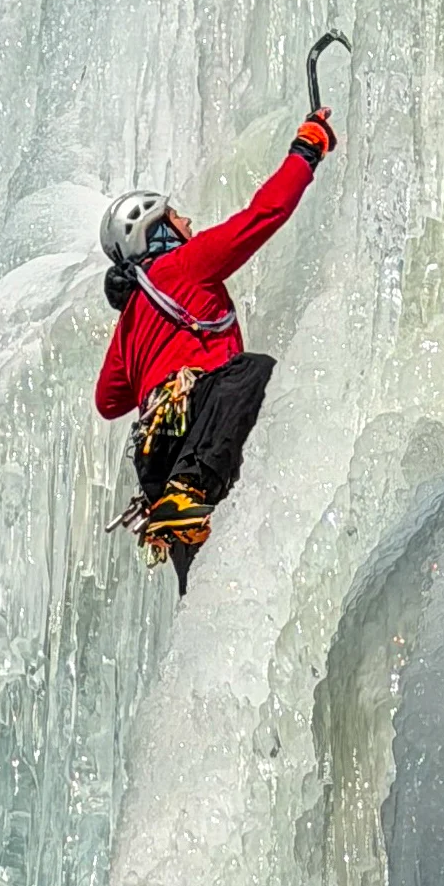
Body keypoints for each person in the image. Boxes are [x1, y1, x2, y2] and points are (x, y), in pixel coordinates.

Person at [95, 103, 336, 592]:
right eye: (174, 217)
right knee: (253, 373)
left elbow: (108, 401)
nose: (186, 221)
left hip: (155, 462)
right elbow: (263, 216)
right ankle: (193, 485)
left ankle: (186, 513)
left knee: (206, 580)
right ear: (156, 233)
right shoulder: (183, 266)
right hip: (198, 423)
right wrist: (306, 149)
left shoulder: (129, 323)